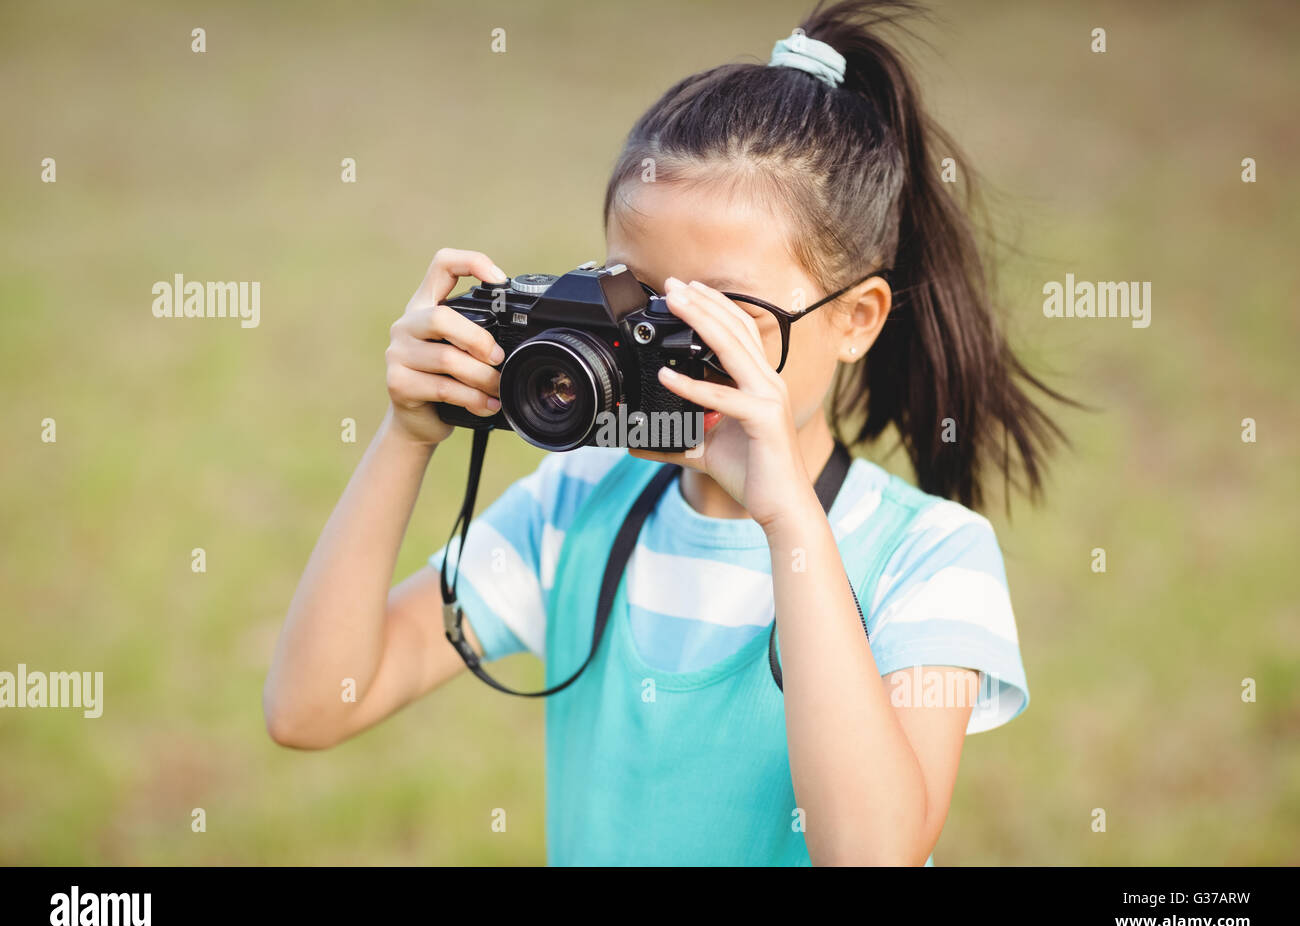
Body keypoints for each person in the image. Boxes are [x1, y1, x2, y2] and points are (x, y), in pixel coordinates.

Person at [264, 0, 1073, 866]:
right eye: (633, 302)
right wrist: (404, 438)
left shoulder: (928, 557)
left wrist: (792, 524)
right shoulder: (579, 508)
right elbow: (314, 708)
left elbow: (869, 855)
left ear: (855, 320)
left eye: (718, 316)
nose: (657, 349)